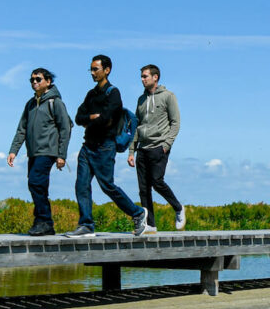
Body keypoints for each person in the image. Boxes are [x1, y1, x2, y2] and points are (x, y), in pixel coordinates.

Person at [67, 55, 149, 238]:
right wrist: (91, 117)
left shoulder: (113, 93)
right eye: (91, 69)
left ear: (107, 70)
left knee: (107, 186)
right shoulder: (91, 94)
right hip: (87, 147)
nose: (92, 73)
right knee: (81, 185)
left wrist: (94, 120)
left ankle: (137, 213)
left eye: (95, 69)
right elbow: (79, 117)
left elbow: (106, 119)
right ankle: (86, 225)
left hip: (105, 147)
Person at [8, 68, 72, 236]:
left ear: (48, 81)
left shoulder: (55, 102)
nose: (34, 82)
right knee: (38, 186)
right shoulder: (30, 104)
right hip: (33, 152)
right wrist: (14, 150)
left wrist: (61, 155)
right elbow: (21, 129)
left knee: (35, 182)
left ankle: (44, 220)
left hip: (48, 151)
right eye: (32, 80)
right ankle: (43, 223)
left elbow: (65, 129)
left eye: (38, 79)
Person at [127, 64, 184, 232]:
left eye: (145, 76)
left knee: (157, 181)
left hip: (159, 146)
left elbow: (175, 122)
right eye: (141, 77)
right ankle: (150, 224)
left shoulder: (168, 96)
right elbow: (135, 126)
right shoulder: (141, 100)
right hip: (142, 148)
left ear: (155, 77)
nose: (142, 79)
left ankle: (178, 208)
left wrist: (166, 145)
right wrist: (131, 151)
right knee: (143, 189)